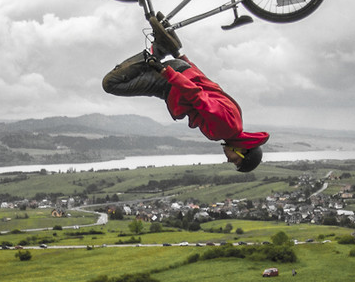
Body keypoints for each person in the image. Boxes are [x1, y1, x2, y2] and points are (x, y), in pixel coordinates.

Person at [101, 18, 268, 172]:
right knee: (110, 84)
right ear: (242, 151)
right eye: (235, 161)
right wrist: (164, 71)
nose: (229, 160)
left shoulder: (235, 122)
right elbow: (197, 96)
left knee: (118, 83)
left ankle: (165, 47)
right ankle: (158, 50)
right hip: (171, 82)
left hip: (175, 81)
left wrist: (180, 56)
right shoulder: (227, 128)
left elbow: (208, 85)